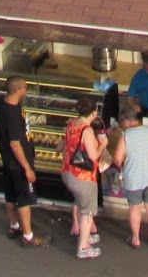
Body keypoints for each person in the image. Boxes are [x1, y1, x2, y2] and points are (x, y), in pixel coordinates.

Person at [0, 76, 48, 247]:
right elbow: (15, 144)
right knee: (24, 198)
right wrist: (27, 168)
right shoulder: (12, 115)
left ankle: (14, 226)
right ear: (17, 90)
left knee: (10, 195)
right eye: (25, 86)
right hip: (18, 164)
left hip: (7, 160)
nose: (26, 89)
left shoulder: (0, 104)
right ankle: (28, 236)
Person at [107, 99, 148, 249]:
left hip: (134, 176)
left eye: (122, 122)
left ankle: (136, 239)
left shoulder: (126, 135)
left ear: (126, 120)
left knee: (134, 207)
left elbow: (117, 159)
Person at [60, 97, 106, 260]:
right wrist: (103, 143)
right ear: (94, 112)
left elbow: (61, 146)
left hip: (67, 172)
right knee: (87, 212)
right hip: (83, 177)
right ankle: (83, 248)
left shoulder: (71, 124)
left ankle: (84, 236)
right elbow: (93, 155)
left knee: (81, 205)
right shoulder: (87, 131)